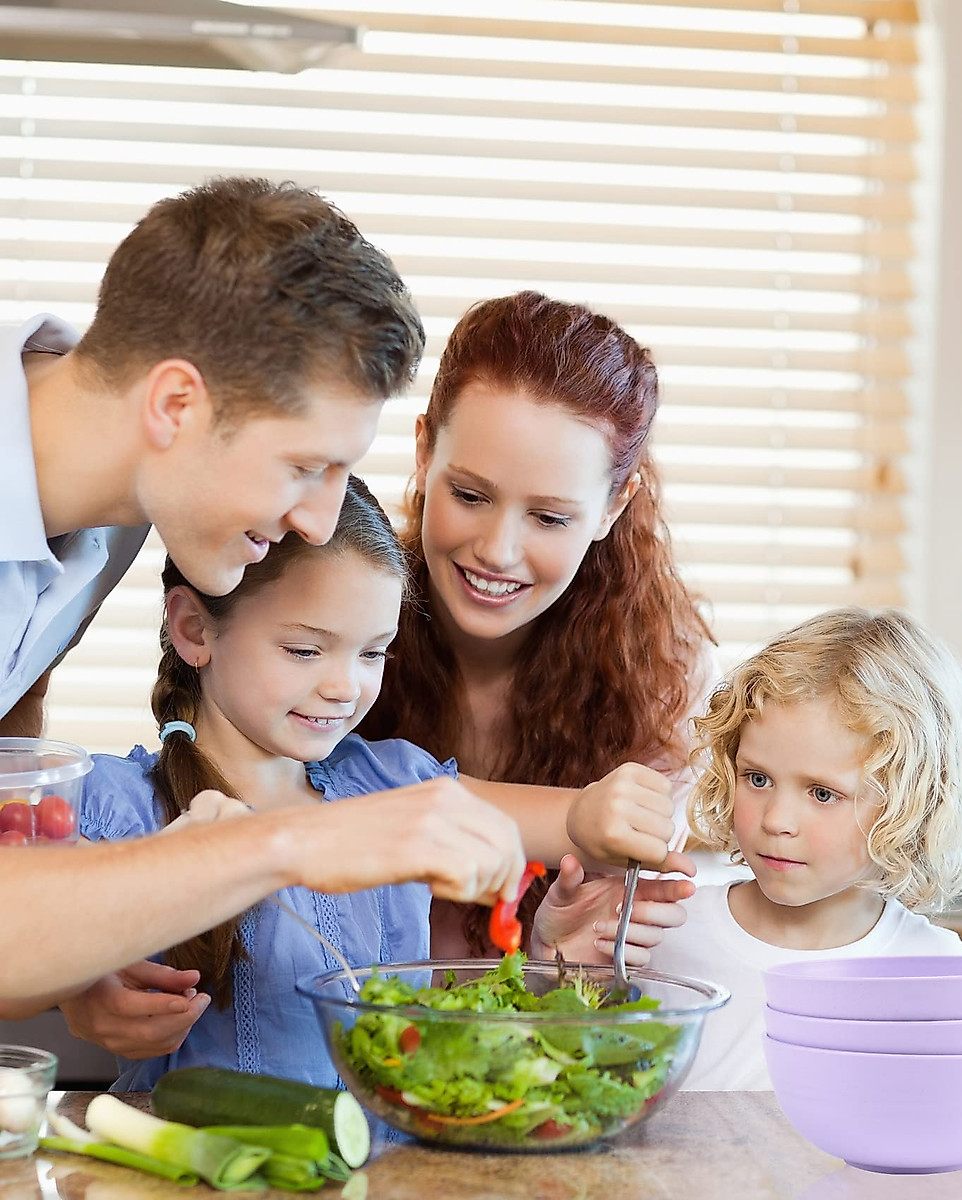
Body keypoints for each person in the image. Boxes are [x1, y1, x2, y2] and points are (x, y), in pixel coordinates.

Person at [0, 176, 513, 1012]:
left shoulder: (122, 499)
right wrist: (287, 841)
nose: (318, 521)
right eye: (306, 468)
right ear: (175, 404)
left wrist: (73, 957)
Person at [60, 477, 693, 1086]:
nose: (345, 688)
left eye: (372, 653)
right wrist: (77, 982)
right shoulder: (114, 805)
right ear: (195, 630)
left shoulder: (391, 782)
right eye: (305, 650)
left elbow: (569, 823)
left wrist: (599, 830)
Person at [357, 290, 720, 955]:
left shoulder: (665, 676)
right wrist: (571, 820)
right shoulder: (335, 610)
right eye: (469, 495)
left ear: (615, 506)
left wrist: (556, 966)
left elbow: (583, 991)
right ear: (423, 451)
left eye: (550, 517)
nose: (497, 550)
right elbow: (305, 813)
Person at [650, 608, 962, 1091]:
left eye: (822, 793)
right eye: (758, 778)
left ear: (911, 801)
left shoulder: (936, 971)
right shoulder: (664, 933)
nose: (775, 820)